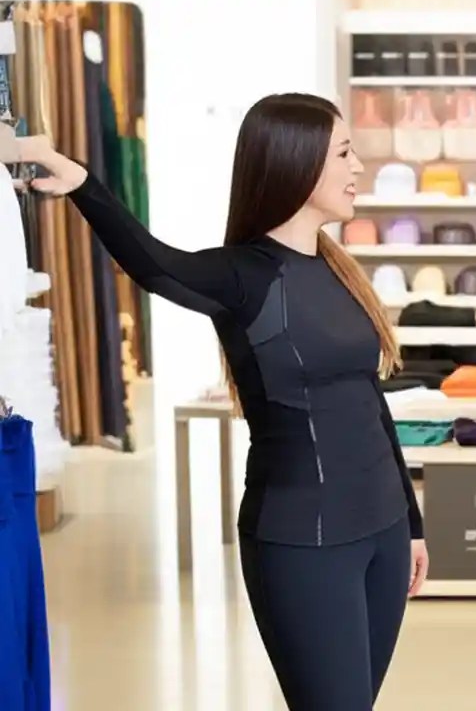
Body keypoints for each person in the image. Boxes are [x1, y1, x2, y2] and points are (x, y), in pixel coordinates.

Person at [15, 93, 429, 710]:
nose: (358, 167)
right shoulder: (246, 275)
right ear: (297, 160)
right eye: (345, 152)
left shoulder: (338, 267)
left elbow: (370, 400)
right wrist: (80, 180)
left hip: (385, 533)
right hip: (303, 542)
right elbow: (154, 266)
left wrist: (414, 525)